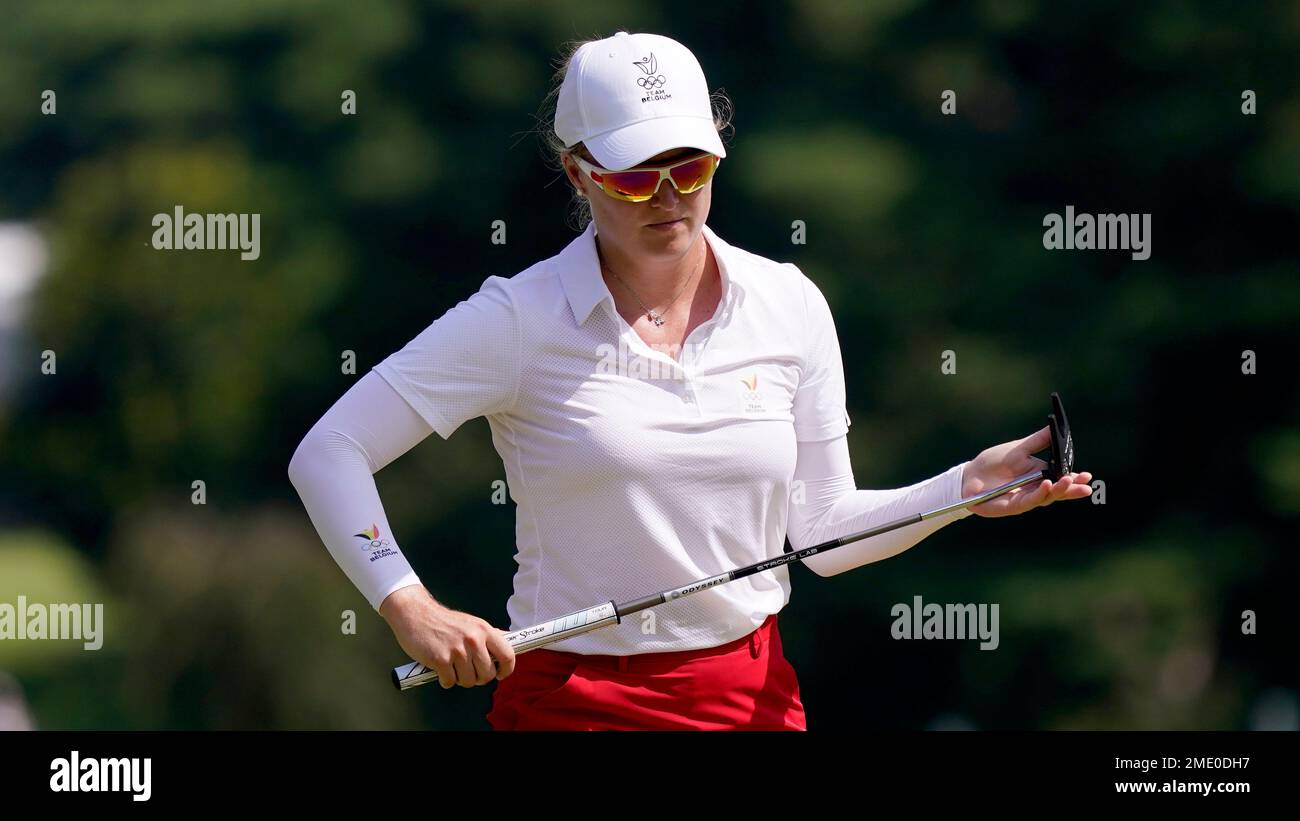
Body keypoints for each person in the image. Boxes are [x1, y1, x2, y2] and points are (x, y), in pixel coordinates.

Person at [287, 30, 1092, 731]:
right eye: (636, 175)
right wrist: (409, 603)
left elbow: (823, 534)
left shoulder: (788, 301)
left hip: (753, 699)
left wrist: (964, 487)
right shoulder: (516, 319)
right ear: (578, 175)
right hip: (576, 704)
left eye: (690, 166)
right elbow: (330, 452)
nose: (669, 197)